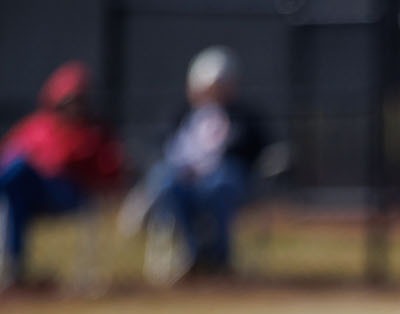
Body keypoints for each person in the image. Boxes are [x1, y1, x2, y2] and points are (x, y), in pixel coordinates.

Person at [127, 45, 268, 280]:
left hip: (223, 181)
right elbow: (162, 146)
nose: (213, 92)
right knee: (165, 182)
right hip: (183, 180)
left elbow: (255, 149)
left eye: (220, 86)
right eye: (208, 86)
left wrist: (213, 164)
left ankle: (219, 257)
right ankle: (191, 254)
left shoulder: (245, 116)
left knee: (220, 183)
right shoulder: (180, 114)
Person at [0, 61, 124, 291]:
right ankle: (14, 268)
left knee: (18, 171)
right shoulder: (37, 127)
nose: (74, 106)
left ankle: (15, 269)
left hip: (70, 194)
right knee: (16, 173)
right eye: (69, 100)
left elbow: (112, 173)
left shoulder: (94, 132)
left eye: (79, 100)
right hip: (27, 195)